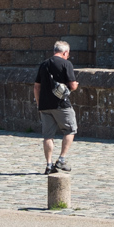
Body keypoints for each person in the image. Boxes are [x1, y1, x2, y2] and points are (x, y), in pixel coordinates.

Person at [32, 40, 79, 174]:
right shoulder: (66, 64)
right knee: (70, 130)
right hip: (61, 104)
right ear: (65, 52)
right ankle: (61, 159)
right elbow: (73, 85)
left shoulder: (44, 64)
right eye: (67, 54)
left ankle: (48, 165)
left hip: (45, 105)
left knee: (48, 136)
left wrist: (39, 103)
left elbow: (36, 86)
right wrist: (75, 85)